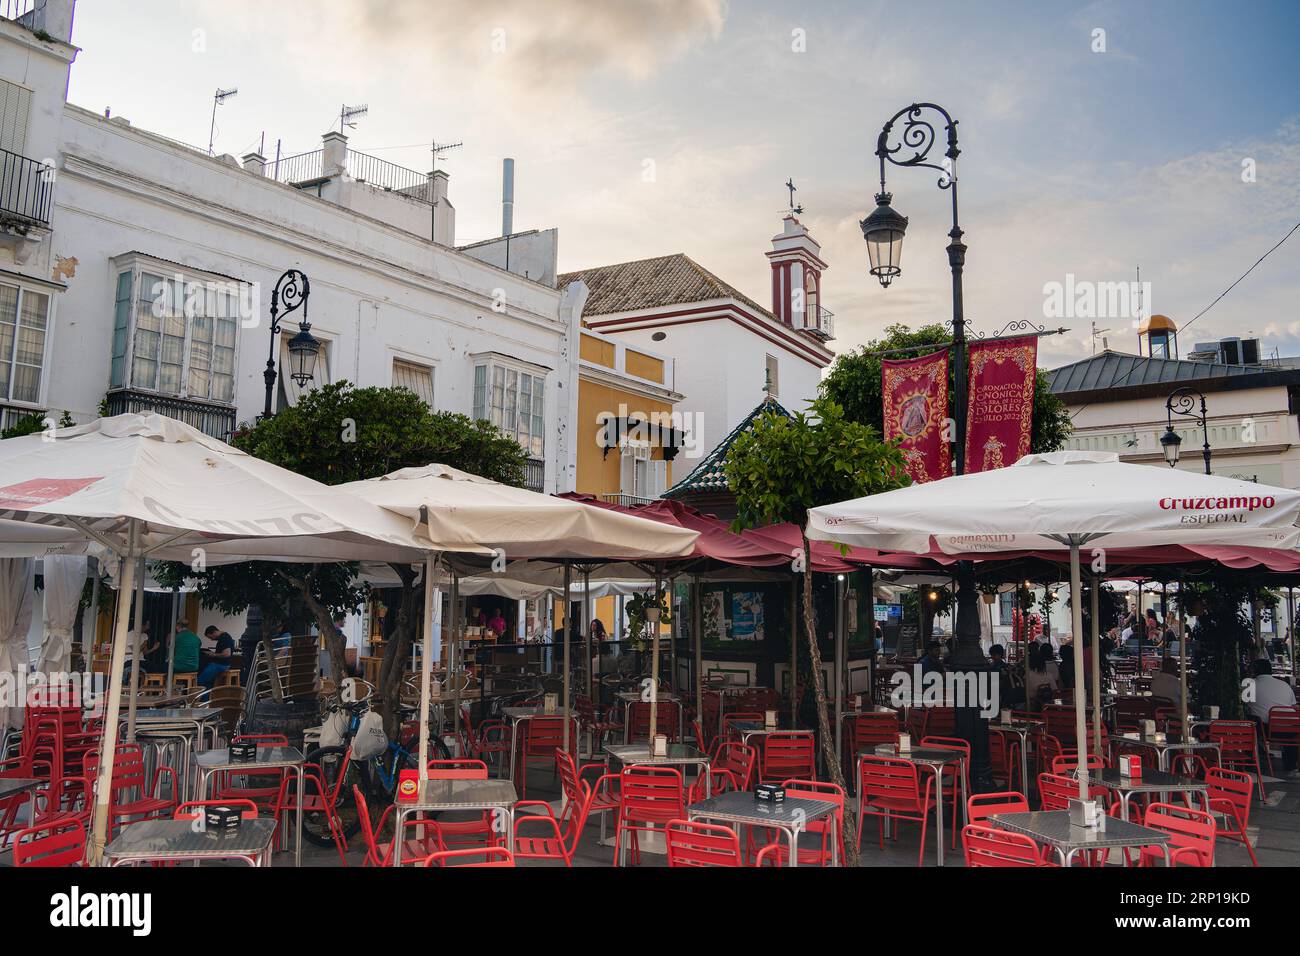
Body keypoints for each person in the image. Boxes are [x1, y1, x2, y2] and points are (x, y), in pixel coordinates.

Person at [1247, 658, 1298, 772]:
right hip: (1291, 728)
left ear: (1254, 670)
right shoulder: (1284, 684)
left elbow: (1245, 706)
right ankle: (1291, 765)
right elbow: (1293, 705)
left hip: (1265, 729)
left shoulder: (1250, 684)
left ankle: (1249, 758)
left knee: (1249, 718)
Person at [1025, 641, 1059, 710]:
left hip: (1032, 703)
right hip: (1047, 704)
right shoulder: (1049, 675)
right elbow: (1055, 690)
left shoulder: (1028, 674)